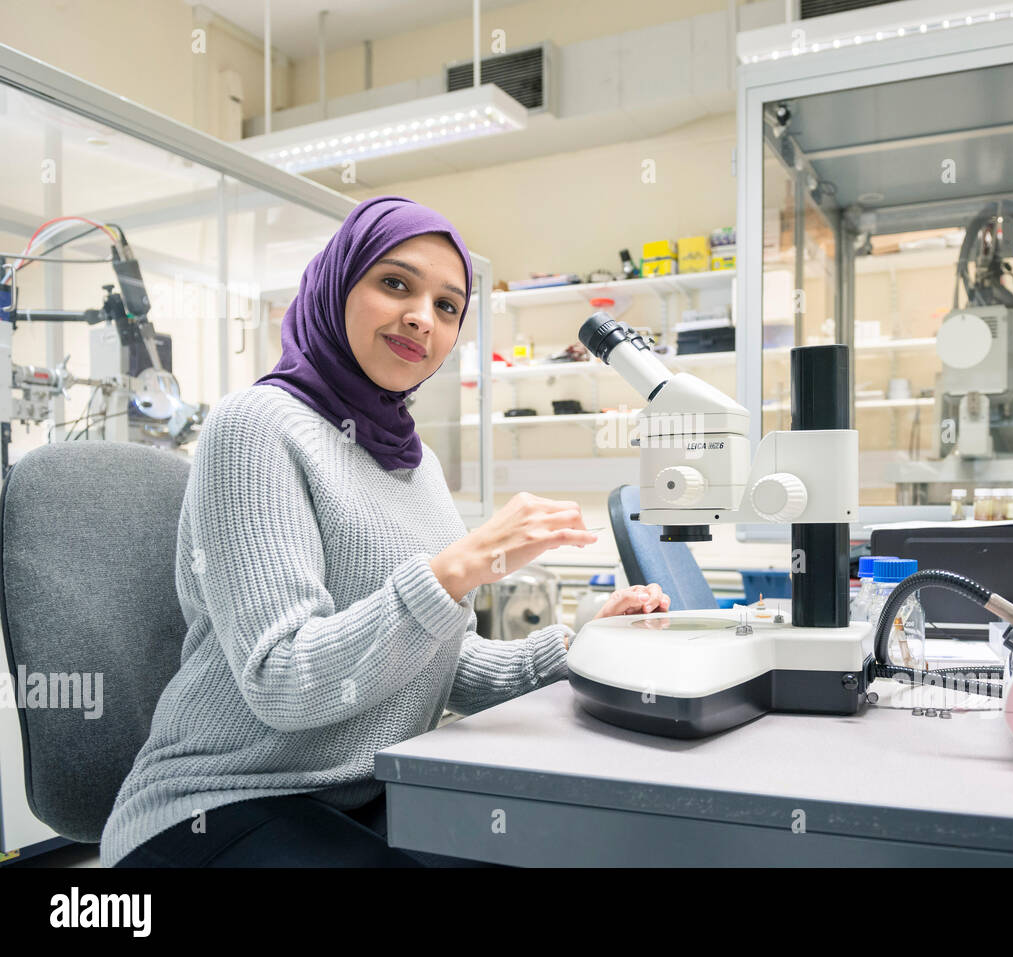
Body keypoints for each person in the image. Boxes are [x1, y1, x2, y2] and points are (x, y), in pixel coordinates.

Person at [101, 196, 669, 867]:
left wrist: (583, 643)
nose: (420, 317)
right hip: (216, 803)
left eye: (448, 305)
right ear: (339, 285)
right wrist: (456, 569)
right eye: (395, 283)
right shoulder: (256, 426)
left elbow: (444, 661)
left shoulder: (412, 459)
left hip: (361, 793)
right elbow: (282, 680)